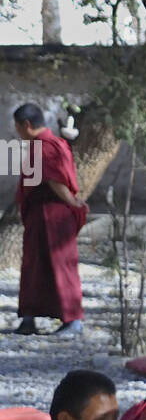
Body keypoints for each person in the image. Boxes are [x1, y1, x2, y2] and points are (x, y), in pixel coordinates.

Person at [12, 102, 87, 336]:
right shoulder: (49, 144)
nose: (17, 133)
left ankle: (73, 320)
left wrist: (73, 203)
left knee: (61, 264)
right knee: (35, 266)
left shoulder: (45, 146)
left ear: (26, 125)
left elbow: (55, 179)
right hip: (41, 214)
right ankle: (28, 317)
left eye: (17, 128)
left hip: (52, 213)